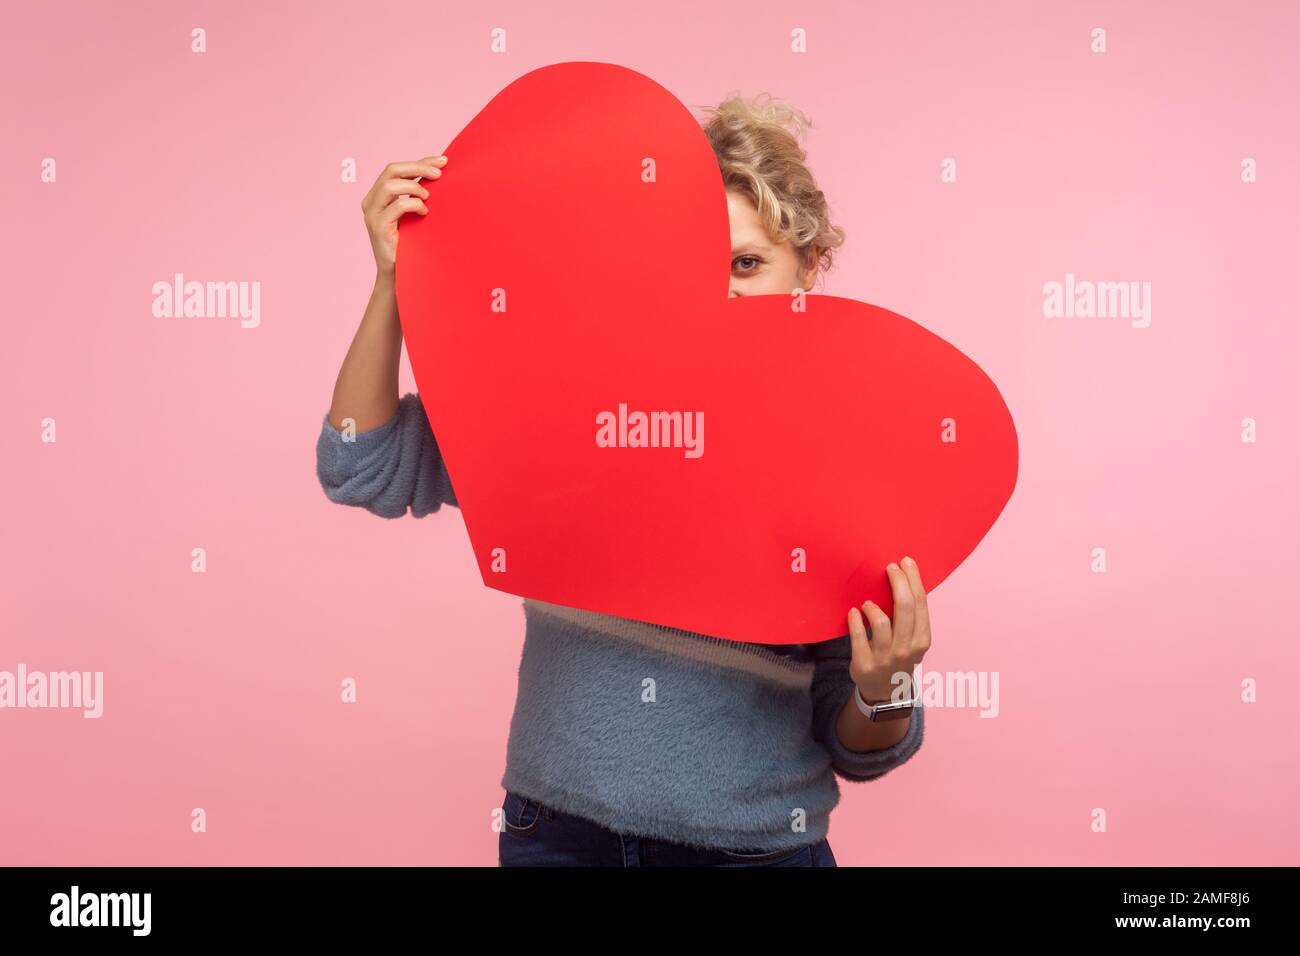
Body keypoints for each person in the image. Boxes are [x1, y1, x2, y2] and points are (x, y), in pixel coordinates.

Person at [316, 94, 932, 867]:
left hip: (756, 854)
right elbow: (359, 462)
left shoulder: (855, 460)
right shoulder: (570, 406)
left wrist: (890, 687)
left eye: (748, 263)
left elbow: (865, 745)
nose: (721, 292)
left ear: (810, 266)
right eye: (692, 267)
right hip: (556, 837)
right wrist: (392, 285)